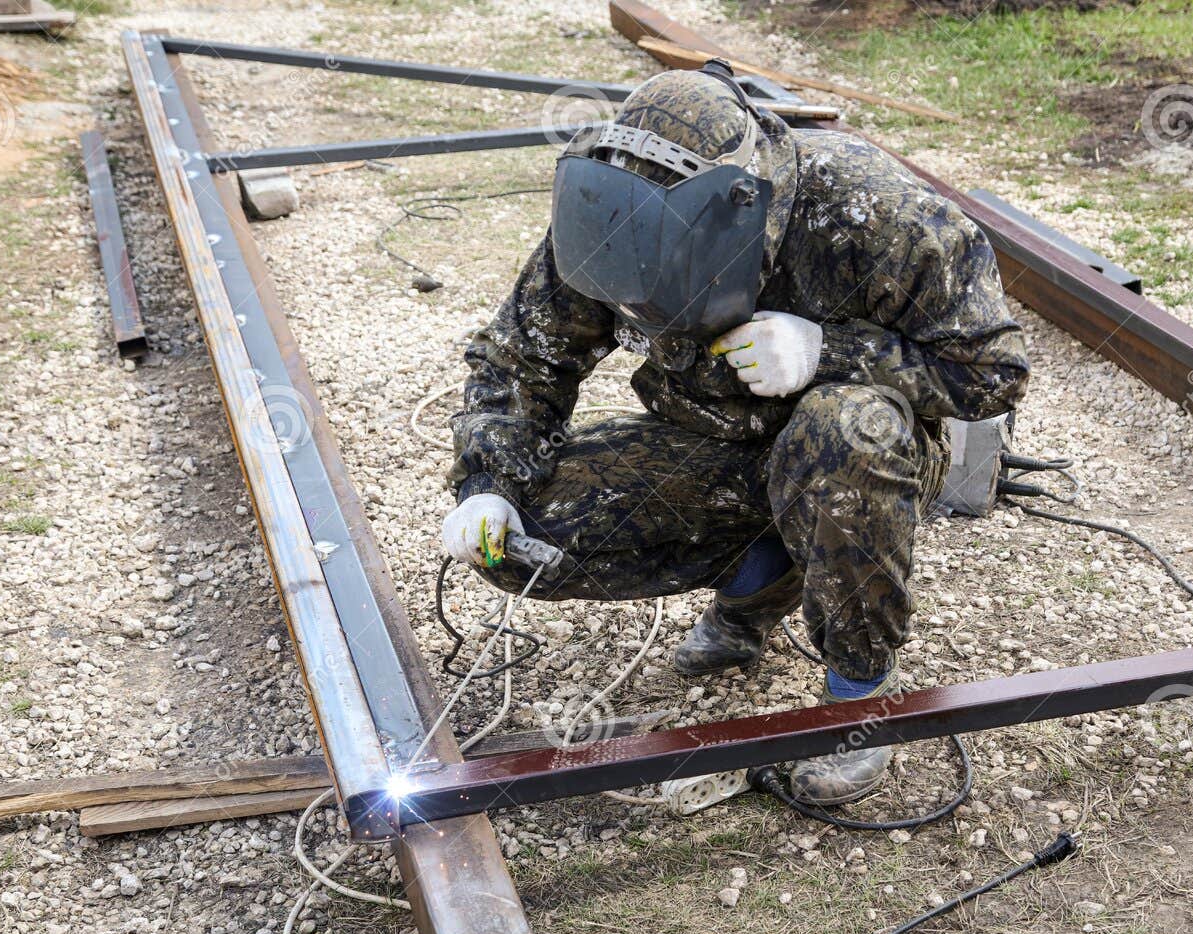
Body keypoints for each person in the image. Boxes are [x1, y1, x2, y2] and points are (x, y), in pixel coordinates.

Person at [440, 61, 1029, 804]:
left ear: (738, 206)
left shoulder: (873, 214)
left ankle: (860, 692)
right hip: (716, 443)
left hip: (858, 458)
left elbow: (994, 373)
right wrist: (487, 484)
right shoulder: (614, 212)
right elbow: (523, 359)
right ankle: (763, 578)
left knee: (846, 427)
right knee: (529, 528)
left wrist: (829, 353)